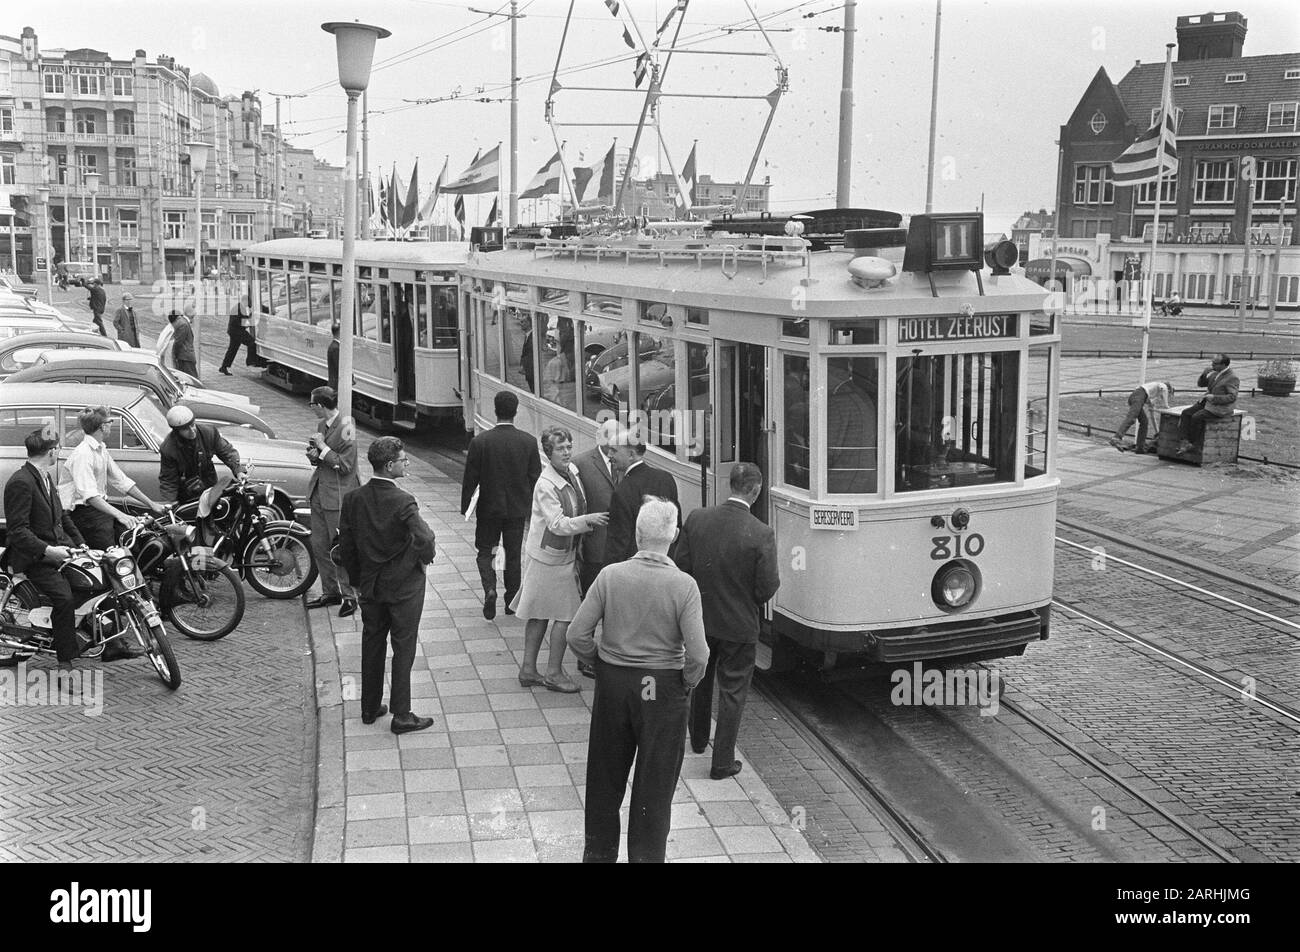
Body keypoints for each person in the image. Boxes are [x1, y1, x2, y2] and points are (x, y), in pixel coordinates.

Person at [567, 499, 709, 863]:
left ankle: (598, 856)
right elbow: (698, 655)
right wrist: (686, 683)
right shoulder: (684, 586)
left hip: (615, 682)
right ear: (674, 537)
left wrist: (600, 665)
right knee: (655, 787)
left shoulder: (610, 576)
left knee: (604, 779)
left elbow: (577, 635)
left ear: (636, 534)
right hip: (663, 689)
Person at [673, 463, 780, 780]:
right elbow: (768, 585)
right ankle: (721, 762)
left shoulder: (697, 518)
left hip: (701, 621)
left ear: (730, 485)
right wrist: (746, 601)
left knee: (700, 679)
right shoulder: (761, 533)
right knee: (733, 692)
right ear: (756, 490)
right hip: (739, 626)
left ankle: (697, 740)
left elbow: (682, 566)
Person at [338, 437, 437, 735]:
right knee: (403, 647)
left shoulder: (354, 499)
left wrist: (356, 581)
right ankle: (402, 714)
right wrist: (426, 558)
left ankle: (369, 707)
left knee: (372, 642)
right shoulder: (403, 500)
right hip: (404, 586)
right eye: (403, 460)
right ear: (390, 465)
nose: (406, 464)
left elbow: (347, 545)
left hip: (370, 585)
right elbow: (425, 538)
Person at [513, 425, 608, 693]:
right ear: (548, 452)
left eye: (569, 446)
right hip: (550, 560)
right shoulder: (545, 484)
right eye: (560, 448)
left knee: (539, 613)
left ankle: (528, 669)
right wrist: (587, 521)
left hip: (557, 556)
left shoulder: (571, 472)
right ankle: (553, 673)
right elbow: (556, 523)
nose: (567, 452)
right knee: (566, 615)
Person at [460, 391, 541, 620]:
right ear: (516, 412)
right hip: (517, 510)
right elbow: (535, 479)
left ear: (495, 410)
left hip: (488, 509)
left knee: (486, 551)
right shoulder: (528, 442)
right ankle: (512, 602)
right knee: (513, 554)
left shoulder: (480, 442)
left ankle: (489, 588)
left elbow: (470, 479)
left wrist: (466, 507)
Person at [59, 406, 166, 550]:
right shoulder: (83, 454)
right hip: (85, 514)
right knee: (112, 557)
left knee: (133, 540)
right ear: (103, 427)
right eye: (110, 421)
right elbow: (90, 497)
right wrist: (120, 515)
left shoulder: (100, 449)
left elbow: (122, 481)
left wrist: (152, 504)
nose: (111, 424)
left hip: (99, 510)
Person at [572, 419, 623, 679]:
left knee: (615, 602)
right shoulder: (581, 463)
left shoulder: (623, 461)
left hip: (619, 546)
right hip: (594, 543)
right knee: (591, 601)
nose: (614, 443)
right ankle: (586, 658)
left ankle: (611, 652)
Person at [304, 387, 360, 618]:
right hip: (319, 492)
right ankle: (330, 591)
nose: (311, 408)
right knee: (319, 545)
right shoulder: (321, 426)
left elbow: (346, 465)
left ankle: (349, 596)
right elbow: (324, 459)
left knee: (340, 548)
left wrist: (323, 447)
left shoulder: (347, 426)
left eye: (312, 405)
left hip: (338, 496)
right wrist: (314, 455)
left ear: (320, 405)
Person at [603, 434, 679, 565]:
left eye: (614, 450)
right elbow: (677, 528)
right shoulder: (666, 478)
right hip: (666, 564)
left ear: (631, 455)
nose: (609, 455)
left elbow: (618, 544)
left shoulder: (622, 491)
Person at [158, 405, 242, 505]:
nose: (192, 431)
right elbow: (168, 479)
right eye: (185, 429)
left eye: (193, 425)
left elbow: (227, 452)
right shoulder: (168, 448)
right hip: (187, 495)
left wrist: (238, 470)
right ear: (177, 431)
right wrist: (171, 501)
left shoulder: (209, 432)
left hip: (211, 488)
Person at [1178, 354, 1239, 455]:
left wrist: (1215, 398)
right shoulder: (1215, 373)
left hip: (1220, 408)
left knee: (1197, 417)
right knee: (1186, 413)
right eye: (1212, 362)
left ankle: (1194, 444)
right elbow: (1201, 384)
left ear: (1223, 365)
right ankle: (1185, 441)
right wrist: (1204, 375)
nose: (1212, 365)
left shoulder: (1232, 377)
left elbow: (1232, 397)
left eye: (1215, 364)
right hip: (1207, 403)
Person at [1109, 380, 1176, 454]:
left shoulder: (1153, 392)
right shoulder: (1162, 386)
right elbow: (1164, 389)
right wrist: (1167, 406)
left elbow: (1152, 416)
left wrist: (1157, 432)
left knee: (1144, 422)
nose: (1162, 397)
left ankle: (1140, 447)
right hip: (1138, 396)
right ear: (1169, 390)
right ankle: (1117, 437)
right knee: (1131, 418)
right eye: (1168, 394)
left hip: (1137, 397)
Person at [219, 295, 261, 375]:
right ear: (244, 301)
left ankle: (224, 367)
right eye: (248, 303)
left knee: (232, 350)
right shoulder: (238, 309)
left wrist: (249, 317)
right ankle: (250, 362)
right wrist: (249, 322)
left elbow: (243, 319)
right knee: (251, 342)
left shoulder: (240, 307)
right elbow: (239, 322)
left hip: (235, 331)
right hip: (237, 331)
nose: (248, 305)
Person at [169, 309, 198, 380]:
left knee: (188, 379)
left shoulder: (182, 323)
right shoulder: (183, 324)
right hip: (185, 357)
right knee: (192, 379)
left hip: (184, 356)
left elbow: (178, 341)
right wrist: (174, 355)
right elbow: (178, 342)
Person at [327, 323, 340, 391]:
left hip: (334, 383)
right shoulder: (336, 348)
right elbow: (339, 367)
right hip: (336, 384)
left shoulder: (333, 346)